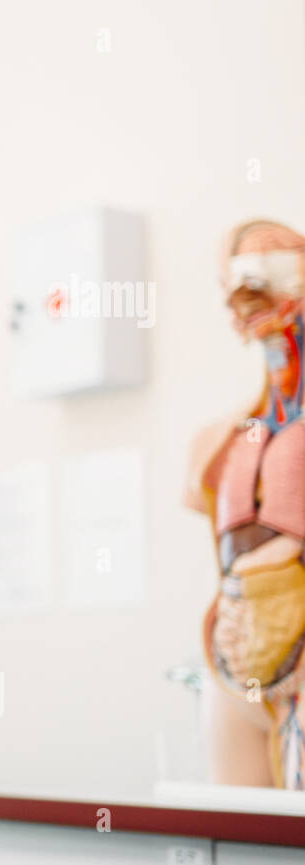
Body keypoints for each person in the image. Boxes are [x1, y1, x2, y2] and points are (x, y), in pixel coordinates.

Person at [184, 219, 305, 789]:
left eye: (259, 280)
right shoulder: (222, 438)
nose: (240, 304)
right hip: (231, 668)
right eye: (230, 288)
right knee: (236, 845)